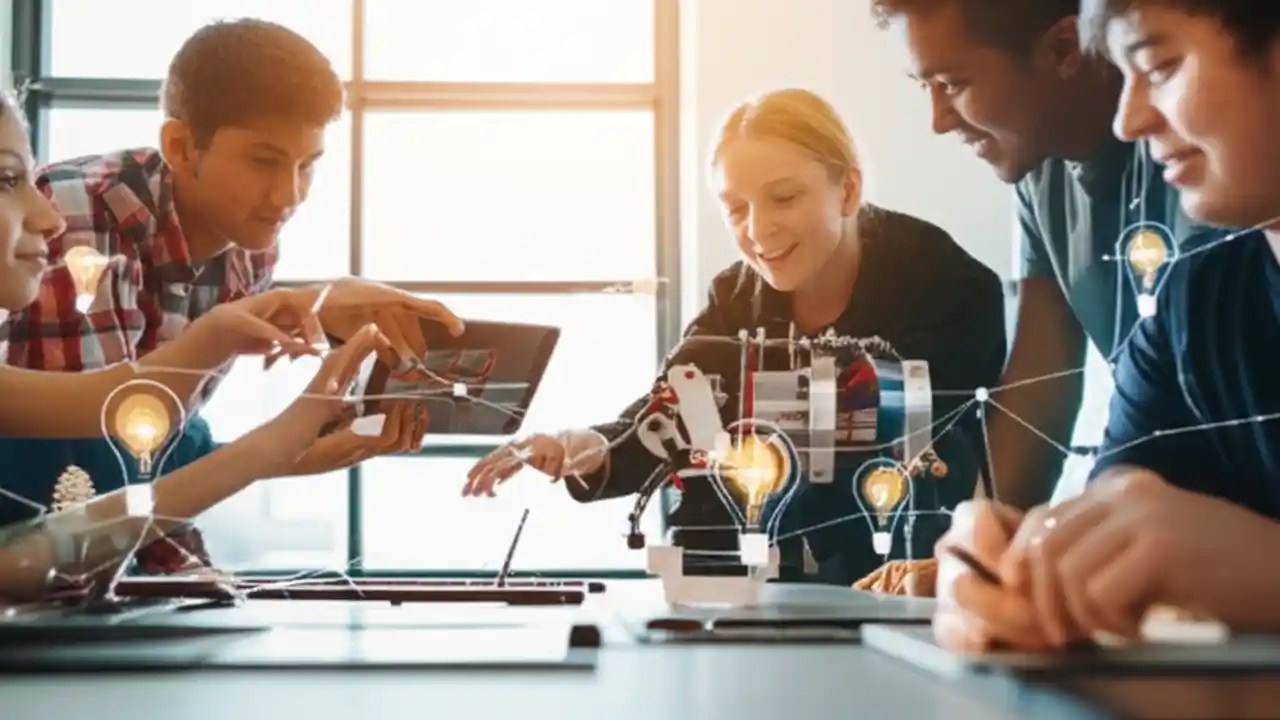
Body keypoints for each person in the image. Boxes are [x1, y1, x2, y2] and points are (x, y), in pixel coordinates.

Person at [464, 89, 1006, 586]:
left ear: (849, 189)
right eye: (735, 208)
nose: (757, 229)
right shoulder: (736, 294)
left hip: (909, 577)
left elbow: (929, 444)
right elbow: (676, 401)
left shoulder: (947, 286)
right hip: (766, 579)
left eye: (784, 197)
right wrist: (589, 447)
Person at [0, 19, 438, 564]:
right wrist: (273, 437)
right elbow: (100, 452)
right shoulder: (77, 214)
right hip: (41, 550)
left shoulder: (249, 246)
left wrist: (300, 448)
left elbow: (157, 450)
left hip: (61, 553)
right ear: (181, 146)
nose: (289, 195)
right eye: (264, 161)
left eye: (308, 166)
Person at [933, 0, 1280, 651]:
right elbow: (1114, 549)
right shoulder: (1191, 309)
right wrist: (1008, 576)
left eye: (1162, 66)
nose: (1129, 119)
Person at [871, 0, 1209, 513]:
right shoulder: (1037, 174)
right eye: (925, 87)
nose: (938, 121)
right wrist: (977, 542)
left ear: (1062, 49)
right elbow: (1040, 387)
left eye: (953, 84)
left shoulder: (1205, 164)